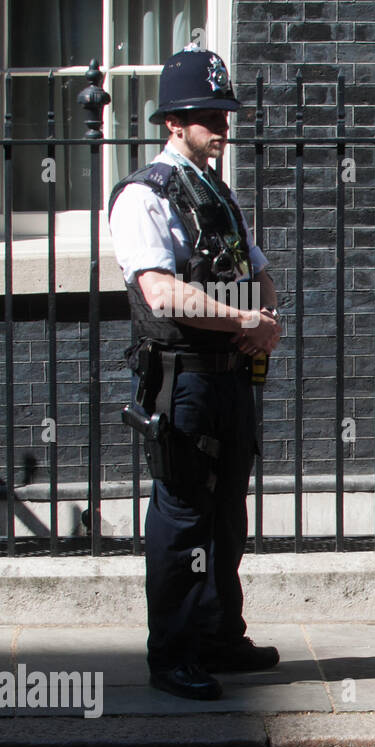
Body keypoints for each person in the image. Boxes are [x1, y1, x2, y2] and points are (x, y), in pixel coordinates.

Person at [109, 46, 282, 700]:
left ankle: (219, 636)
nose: (220, 121)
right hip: (182, 378)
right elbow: (162, 294)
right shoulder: (144, 195)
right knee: (183, 516)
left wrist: (265, 311)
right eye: (205, 112)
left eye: (222, 109)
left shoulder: (214, 190)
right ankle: (174, 654)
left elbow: (254, 264)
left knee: (226, 515)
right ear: (172, 121)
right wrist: (247, 323)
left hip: (230, 375)